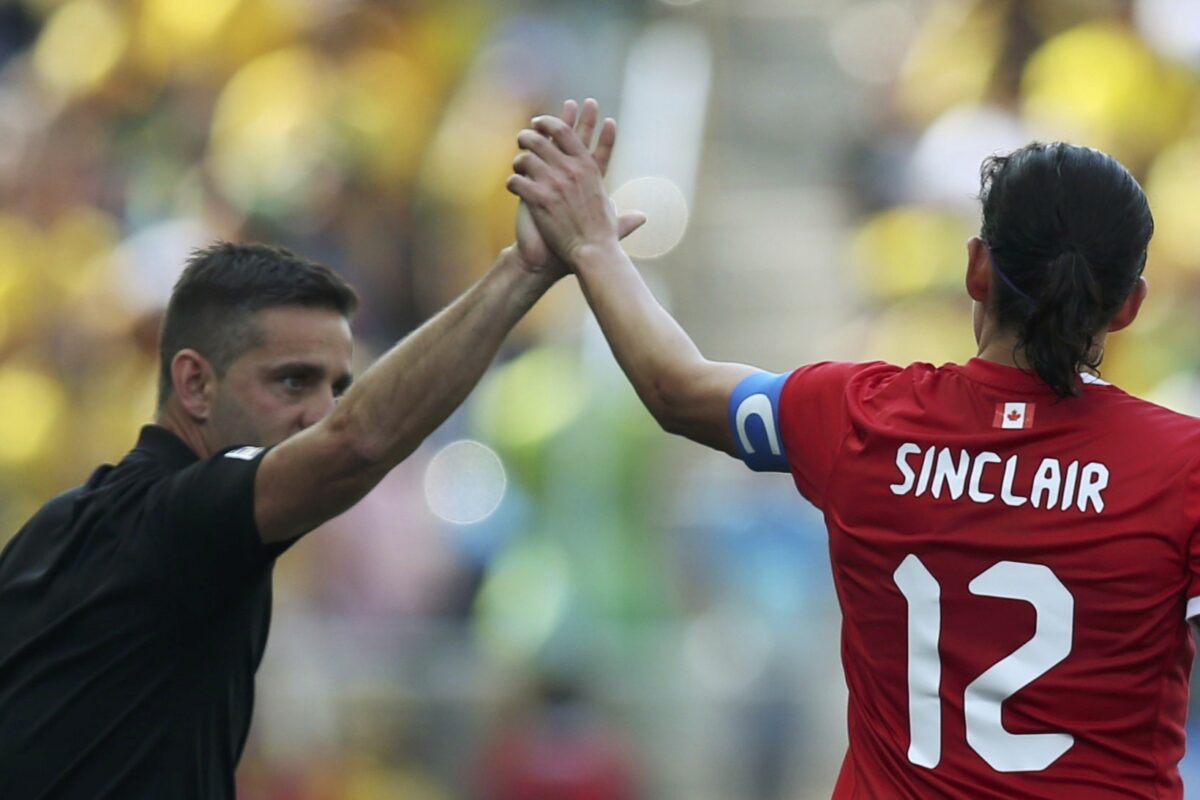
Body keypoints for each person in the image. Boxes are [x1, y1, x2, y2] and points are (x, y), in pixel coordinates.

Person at [509, 99, 1197, 798]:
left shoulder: (865, 418)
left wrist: (593, 246)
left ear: (976, 269)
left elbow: (674, 387)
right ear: (1129, 306)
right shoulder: (1181, 468)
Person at [0, 101, 643, 799]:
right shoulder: (182, 516)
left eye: (335, 387)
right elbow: (355, 443)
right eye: (291, 382)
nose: (319, 412)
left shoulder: (55, 530)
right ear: (195, 383)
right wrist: (524, 272)